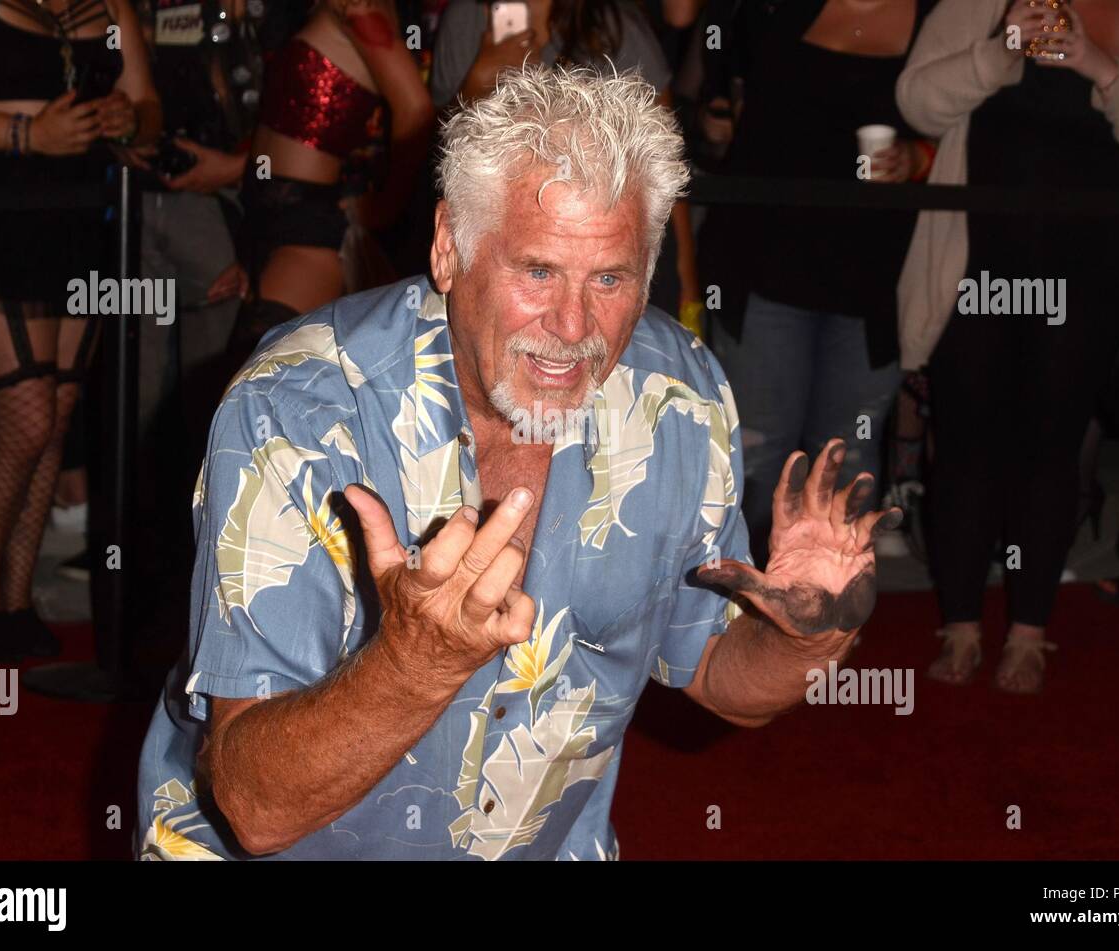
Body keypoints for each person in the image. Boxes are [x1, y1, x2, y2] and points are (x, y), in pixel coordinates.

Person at [135, 65, 901, 860]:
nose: (573, 326)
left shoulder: (680, 399)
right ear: (447, 249)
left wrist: (805, 638)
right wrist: (412, 666)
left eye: (609, 278)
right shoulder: (297, 409)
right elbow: (256, 806)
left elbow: (716, 672)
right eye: (537, 271)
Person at [896, 0, 1119, 693]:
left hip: (1091, 279)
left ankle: (1030, 630)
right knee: (967, 445)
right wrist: (1000, 53)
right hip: (977, 269)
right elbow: (917, 102)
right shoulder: (977, 2)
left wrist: (1104, 69)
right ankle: (962, 625)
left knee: (1053, 449)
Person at [0, 0, 160, 661]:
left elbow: (146, 104)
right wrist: (28, 134)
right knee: (23, 418)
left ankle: (14, 597)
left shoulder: (110, 6)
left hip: (81, 221)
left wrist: (129, 119)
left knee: (54, 414)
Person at [697, 0, 937, 565]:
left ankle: (830, 634)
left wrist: (919, 157)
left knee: (848, 467)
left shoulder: (936, 15)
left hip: (872, 278)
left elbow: (973, 123)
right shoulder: (773, 9)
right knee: (757, 465)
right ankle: (744, 631)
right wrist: (714, 115)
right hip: (765, 266)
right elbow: (713, 99)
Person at [430, 0, 701, 321]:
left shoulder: (615, 26)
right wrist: (477, 84)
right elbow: (441, 161)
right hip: (506, 258)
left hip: (610, 260)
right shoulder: (466, 19)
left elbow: (663, 163)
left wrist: (686, 273)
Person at [226, 0, 435, 363]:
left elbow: (416, 109)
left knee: (259, 385)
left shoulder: (356, 4)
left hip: (308, 232)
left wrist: (383, 207)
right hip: (265, 223)